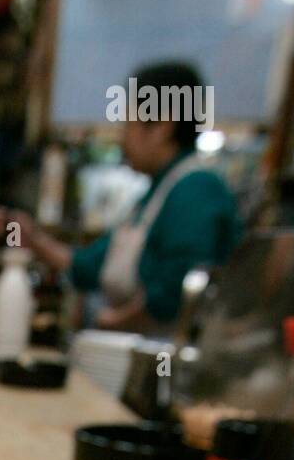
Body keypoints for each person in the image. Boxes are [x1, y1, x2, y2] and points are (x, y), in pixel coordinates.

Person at [14, 62, 241, 333]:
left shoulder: (196, 189)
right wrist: (32, 239)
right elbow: (91, 266)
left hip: (163, 361)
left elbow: (178, 291)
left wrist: (106, 323)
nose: (122, 136)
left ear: (161, 127)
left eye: (128, 123)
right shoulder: (156, 194)